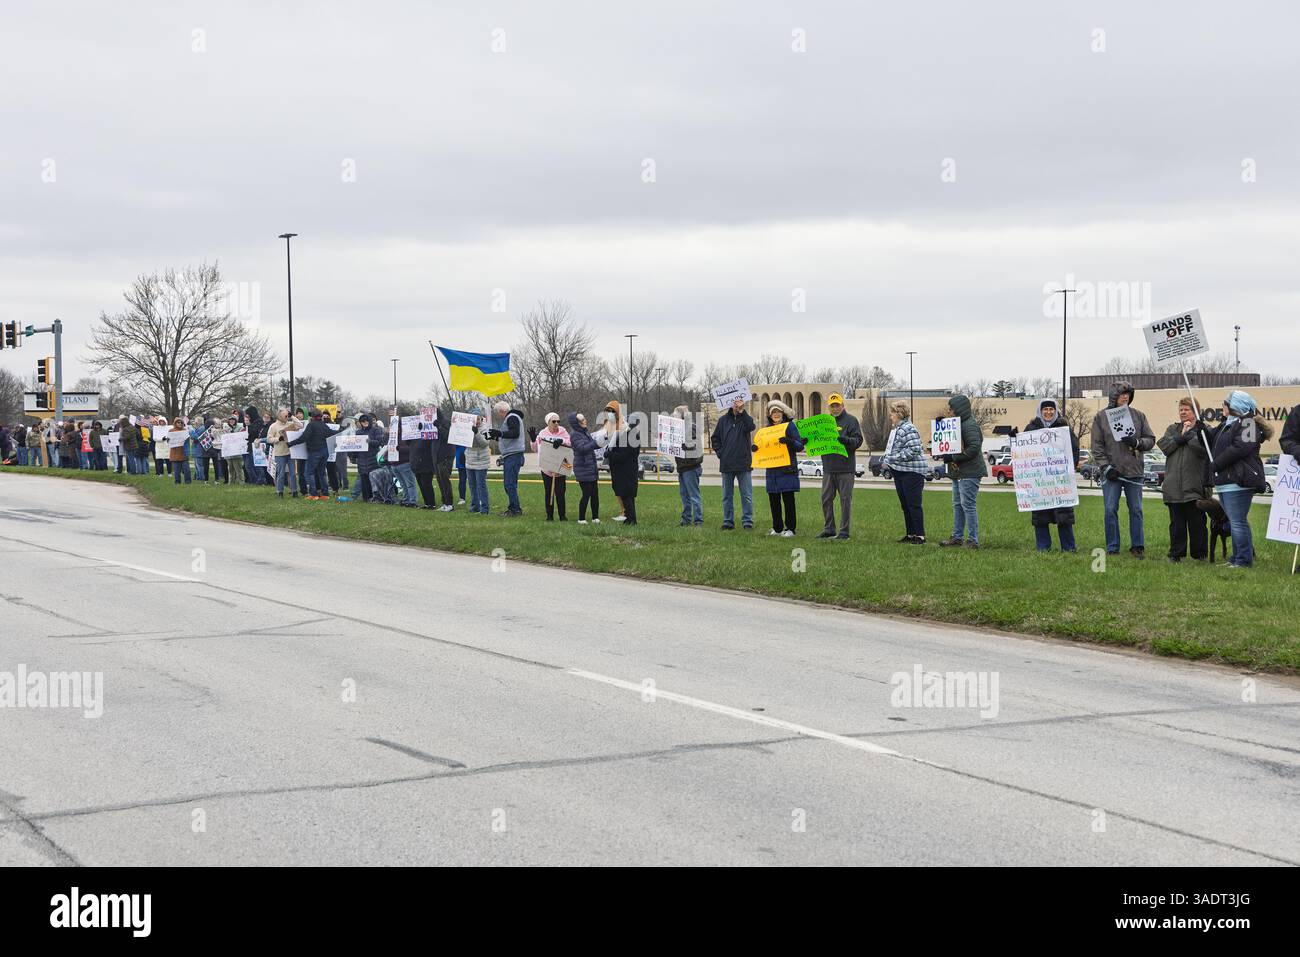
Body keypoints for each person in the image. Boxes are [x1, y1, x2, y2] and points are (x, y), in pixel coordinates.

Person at [1089, 381, 1156, 558]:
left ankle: (1137, 546)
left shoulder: (1139, 416)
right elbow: (1097, 445)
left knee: (1136, 510)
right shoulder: (1101, 417)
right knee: (1110, 509)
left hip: (1134, 471)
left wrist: (1137, 443)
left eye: (1128, 394)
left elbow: (1150, 439)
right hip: (1112, 473)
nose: (1125, 396)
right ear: (1113, 396)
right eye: (1122, 393)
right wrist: (1105, 467)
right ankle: (1112, 547)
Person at [1206, 391, 1271, 568]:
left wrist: (1217, 464)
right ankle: (1236, 558)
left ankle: (1243, 560)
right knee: (1236, 521)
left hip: (1239, 481)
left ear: (1236, 406)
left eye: (1225, 403)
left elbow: (1242, 448)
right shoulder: (1226, 425)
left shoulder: (1248, 422)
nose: (1222, 406)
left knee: (1237, 521)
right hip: (1226, 482)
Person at [1020, 399, 1079, 552]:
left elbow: (1074, 450)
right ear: (1040, 410)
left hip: (1060, 479)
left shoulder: (1064, 427)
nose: (1048, 412)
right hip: (1040, 479)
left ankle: (1069, 548)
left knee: (1064, 515)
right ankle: (1043, 547)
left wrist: (1069, 468)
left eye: (1051, 409)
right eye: (1045, 409)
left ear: (1056, 410)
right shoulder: (1031, 428)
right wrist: (1015, 438)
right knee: (1040, 515)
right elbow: (1022, 452)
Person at [1157, 398, 1210, 562]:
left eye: (1186, 409)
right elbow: (1164, 447)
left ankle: (1199, 554)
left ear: (1195, 411)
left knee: (1197, 523)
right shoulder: (1172, 429)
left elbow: (1205, 450)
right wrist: (1179, 437)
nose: (1183, 412)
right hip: (1173, 486)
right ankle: (1176, 553)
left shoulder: (1204, 429)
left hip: (1195, 485)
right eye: (1181, 409)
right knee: (1177, 524)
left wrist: (1190, 437)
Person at [938, 394, 987, 549]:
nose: (950, 412)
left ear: (959, 409)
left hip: (970, 472)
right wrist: (942, 425)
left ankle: (973, 540)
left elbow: (973, 448)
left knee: (968, 505)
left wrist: (952, 456)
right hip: (959, 472)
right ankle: (957, 537)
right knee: (958, 505)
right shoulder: (958, 424)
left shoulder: (969, 425)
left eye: (952, 409)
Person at [881, 400, 928, 544]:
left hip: (912, 472)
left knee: (913, 504)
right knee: (905, 505)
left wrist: (893, 458)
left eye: (892, 413)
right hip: (900, 471)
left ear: (899, 413)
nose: (890, 416)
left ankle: (919, 536)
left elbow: (913, 449)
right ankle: (910, 534)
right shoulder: (898, 429)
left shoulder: (908, 428)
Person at [817, 393, 863, 540]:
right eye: (832, 406)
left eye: (837, 405)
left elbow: (858, 440)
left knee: (845, 501)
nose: (835, 408)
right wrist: (807, 441)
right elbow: (816, 440)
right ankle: (829, 529)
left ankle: (844, 532)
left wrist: (846, 441)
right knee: (826, 499)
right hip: (828, 468)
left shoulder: (851, 421)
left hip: (845, 468)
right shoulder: (824, 422)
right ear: (829, 407)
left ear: (843, 405)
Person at [760, 400, 805, 536]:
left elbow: (799, 445)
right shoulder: (766, 429)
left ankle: (790, 528)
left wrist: (789, 441)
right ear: (770, 415)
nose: (776, 414)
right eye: (773, 412)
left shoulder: (790, 427)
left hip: (787, 469)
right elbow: (763, 448)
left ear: (782, 413)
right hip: (772, 470)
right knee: (774, 500)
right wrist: (756, 448)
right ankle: (777, 528)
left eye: (778, 412)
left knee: (788, 499)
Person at [711, 396, 756, 530]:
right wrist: (721, 453)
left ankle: (747, 521)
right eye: (734, 402)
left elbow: (751, 426)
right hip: (727, 464)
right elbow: (715, 439)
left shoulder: (745, 419)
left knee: (746, 495)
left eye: (739, 402)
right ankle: (728, 521)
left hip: (743, 464)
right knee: (727, 496)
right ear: (729, 404)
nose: (736, 404)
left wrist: (742, 412)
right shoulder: (723, 420)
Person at [485, 401, 526, 517]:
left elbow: (515, 433)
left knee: (509, 484)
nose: (498, 416)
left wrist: (500, 433)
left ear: (502, 411)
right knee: (510, 483)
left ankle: (515, 510)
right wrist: (495, 436)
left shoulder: (511, 417)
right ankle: (514, 508)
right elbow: (508, 438)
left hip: (513, 455)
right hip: (512, 454)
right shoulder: (512, 418)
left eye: (498, 413)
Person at [605, 411, 642, 525]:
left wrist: (609, 454)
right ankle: (630, 518)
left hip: (625, 470)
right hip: (628, 469)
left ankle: (632, 520)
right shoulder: (631, 433)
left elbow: (623, 456)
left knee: (626, 495)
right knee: (628, 496)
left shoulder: (630, 435)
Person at [533, 412, 571, 521]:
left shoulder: (563, 431)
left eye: (558, 421)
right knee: (549, 492)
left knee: (560, 493)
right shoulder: (543, 433)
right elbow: (535, 449)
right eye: (554, 421)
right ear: (548, 422)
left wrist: (562, 441)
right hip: (547, 469)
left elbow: (570, 442)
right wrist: (532, 440)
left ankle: (562, 516)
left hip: (561, 467)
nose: (556, 423)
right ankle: (549, 516)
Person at [288, 410, 333, 499]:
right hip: (325, 452)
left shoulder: (311, 425)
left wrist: (291, 443)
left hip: (315, 452)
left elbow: (304, 437)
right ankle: (325, 494)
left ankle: (313, 494)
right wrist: (343, 429)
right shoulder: (324, 425)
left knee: (310, 473)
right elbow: (331, 433)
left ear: (312, 417)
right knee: (322, 473)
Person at [673, 405, 703, 527]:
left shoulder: (691, 428)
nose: (674, 419)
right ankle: (686, 519)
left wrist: (682, 445)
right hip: (682, 466)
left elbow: (693, 446)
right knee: (685, 496)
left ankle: (698, 520)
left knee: (694, 496)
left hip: (691, 466)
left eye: (675, 416)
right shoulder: (679, 430)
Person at [568, 412, 600, 524]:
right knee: (586, 494)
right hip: (582, 468)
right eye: (582, 420)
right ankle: (581, 518)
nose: (585, 421)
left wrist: (599, 443)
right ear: (576, 423)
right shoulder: (574, 434)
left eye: (584, 419)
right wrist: (595, 443)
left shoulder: (585, 432)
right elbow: (582, 448)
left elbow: (591, 445)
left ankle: (595, 517)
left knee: (595, 494)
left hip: (591, 467)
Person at [266, 409, 302, 498]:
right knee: (281, 474)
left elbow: (300, 425)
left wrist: (292, 416)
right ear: (280, 416)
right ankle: (280, 492)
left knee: (293, 473)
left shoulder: (289, 424)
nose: (286, 417)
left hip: (290, 452)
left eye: (287, 415)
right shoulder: (273, 426)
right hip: (279, 453)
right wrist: (278, 439)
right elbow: (268, 439)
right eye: (285, 416)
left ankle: (294, 491)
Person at [353, 412, 385, 502]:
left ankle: (375, 496)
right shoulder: (358, 432)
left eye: (366, 420)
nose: (365, 422)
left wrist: (370, 441)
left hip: (372, 458)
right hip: (361, 458)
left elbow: (379, 442)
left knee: (373, 478)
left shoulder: (375, 430)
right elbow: (355, 445)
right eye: (362, 421)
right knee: (363, 479)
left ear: (370, 421)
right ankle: (366, 497)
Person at [390, 416, 420, 507]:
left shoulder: (407, 435)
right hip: (395, 464)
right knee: (403, 484)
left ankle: (413, 501)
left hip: (404, 463)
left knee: (410, 484)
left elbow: (411, 448)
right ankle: (406, 499)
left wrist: (399, 448)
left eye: (398, 427)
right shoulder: (393, 436)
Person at [465, 415, 492, 514]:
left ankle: (485, 508)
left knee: (481, 485)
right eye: (474, 418)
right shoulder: (467, 427)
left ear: (481, 418)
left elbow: (485, 443)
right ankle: (474, 506)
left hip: (481, 461)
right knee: (472, 485)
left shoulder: (486, 428)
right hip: (469, 459)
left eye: (478, 418)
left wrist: (476, 433)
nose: (476, 421)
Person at [433, 407, 456, 510]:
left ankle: (449, 503)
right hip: (437, 456)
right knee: (439, 480)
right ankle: (444, 502)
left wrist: (439, 427)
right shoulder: (430, 424)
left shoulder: (446, 422)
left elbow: (448, 436)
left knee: (445, 480)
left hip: (445, 455)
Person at [168, 418, 192, 483]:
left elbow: (188, 440)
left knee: (186, 469)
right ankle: (177, 482)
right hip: (175, 453)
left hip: (183, 452)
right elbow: (169, 441)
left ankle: (188, 482)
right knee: (176, 470)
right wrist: (167, 439)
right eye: (178, 422)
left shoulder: (185, 430)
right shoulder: (171, 431)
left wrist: (189, 432)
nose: (180, 424)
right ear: (175, 423)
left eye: (181, 422)